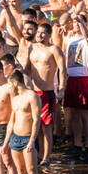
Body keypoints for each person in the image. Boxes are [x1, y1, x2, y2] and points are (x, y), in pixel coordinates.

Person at [62, 0, 88, 161]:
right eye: (75, 22)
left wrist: (81, 21)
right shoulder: (70, 39)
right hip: (72, 78)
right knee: (74, 113)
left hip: (84, 79)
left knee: (85, 113)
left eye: (80, 22)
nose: (76, 24)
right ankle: (77, 144)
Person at [24, 21, 64, 166]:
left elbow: (62, 70)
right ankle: (40, 154)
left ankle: (46, 157)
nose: (40, 35)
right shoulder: (31, 47)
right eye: (38, 32)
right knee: (37, 125)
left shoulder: (54, 49)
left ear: (49, 35)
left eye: (43, 33)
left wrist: (62, 88)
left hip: (47, 92)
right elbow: (27, 69)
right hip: (34, 92)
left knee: (46, 127)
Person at [6, 70, 40, 174]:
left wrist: (32, 140)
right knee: (20, 172)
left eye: (10, 84)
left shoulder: (32, 96)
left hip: (28, 138)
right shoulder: (15, 98)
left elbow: (36, 120)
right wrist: (6, 142)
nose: (9, 87)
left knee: (32, 172)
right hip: (15, 138)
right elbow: (11, 122)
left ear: (15, 83)